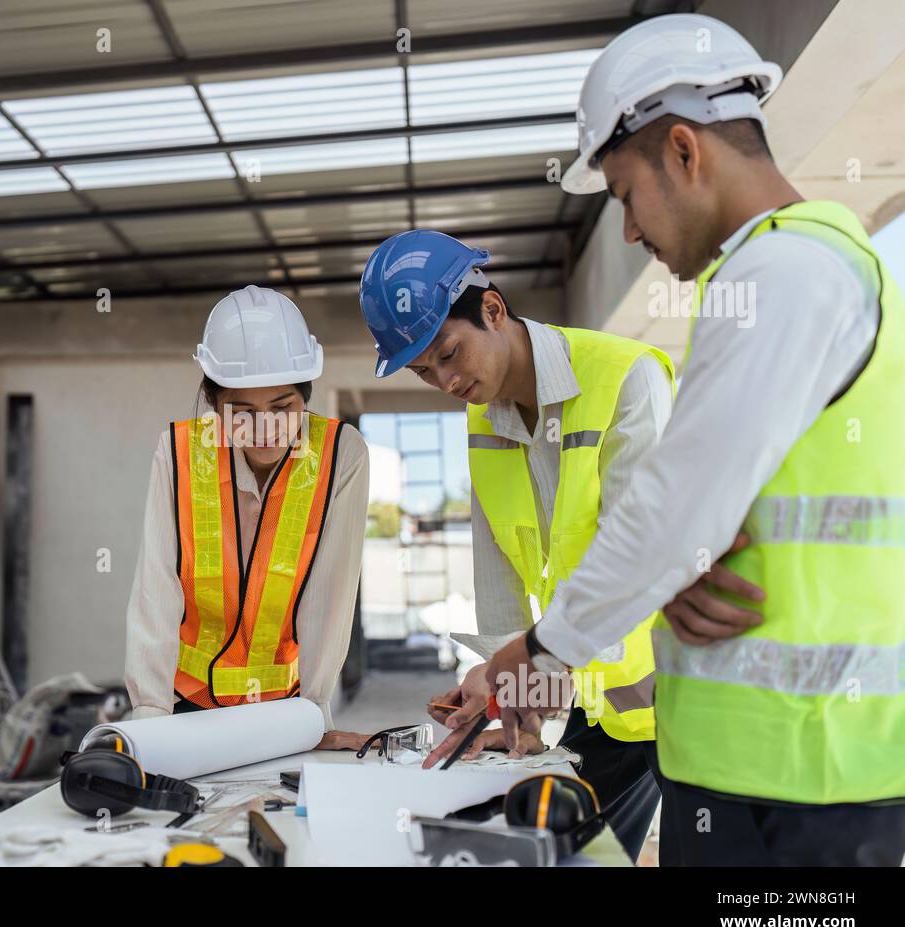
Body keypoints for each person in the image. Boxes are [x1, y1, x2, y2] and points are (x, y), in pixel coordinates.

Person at [482, 12, 905, 865]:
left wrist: (539, 649)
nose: (630, 231)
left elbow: (677, 506)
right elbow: (711, 516)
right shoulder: (813, 267)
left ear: (684, 150)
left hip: (805, 780)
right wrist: (677, 566)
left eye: (627, 197)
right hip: (769, 771)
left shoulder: (782, 274)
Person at [360, 230, 695, 862]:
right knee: (561, 855)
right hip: (610, 712)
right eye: (424, 371)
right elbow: (500, 590)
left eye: (449, 353)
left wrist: (514, 669)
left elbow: (634, 576)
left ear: (493, 310)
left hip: (690, 706)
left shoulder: (628, 379)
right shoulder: (485, 418)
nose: (446, 380)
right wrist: (516, 700)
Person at [124, 285, 370, 747]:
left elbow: (330, 597)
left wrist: (315, 714)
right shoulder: (178, 453)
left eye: (283, 408)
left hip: (286, 708)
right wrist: (149, 719)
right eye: (241, 411)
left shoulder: (341, 454)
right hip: (185, 705)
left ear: (305, 397)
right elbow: (156, 591)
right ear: (214, 404)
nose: (264, 430)